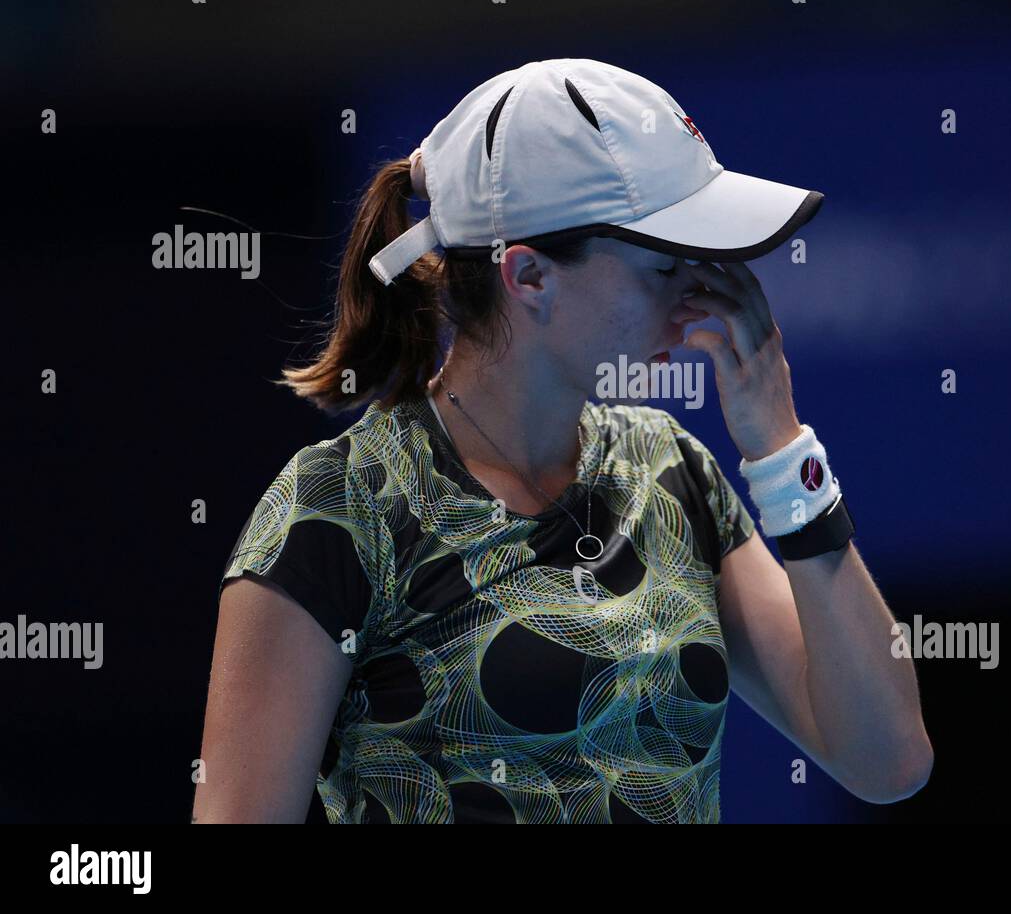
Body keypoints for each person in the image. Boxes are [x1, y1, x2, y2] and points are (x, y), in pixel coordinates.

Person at [193, 58, 933, 824]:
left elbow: (890, 761)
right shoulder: (342, 509)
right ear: (529, 276)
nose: (697, 300)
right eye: (664, 267)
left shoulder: (671, 472)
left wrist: (781, 455)